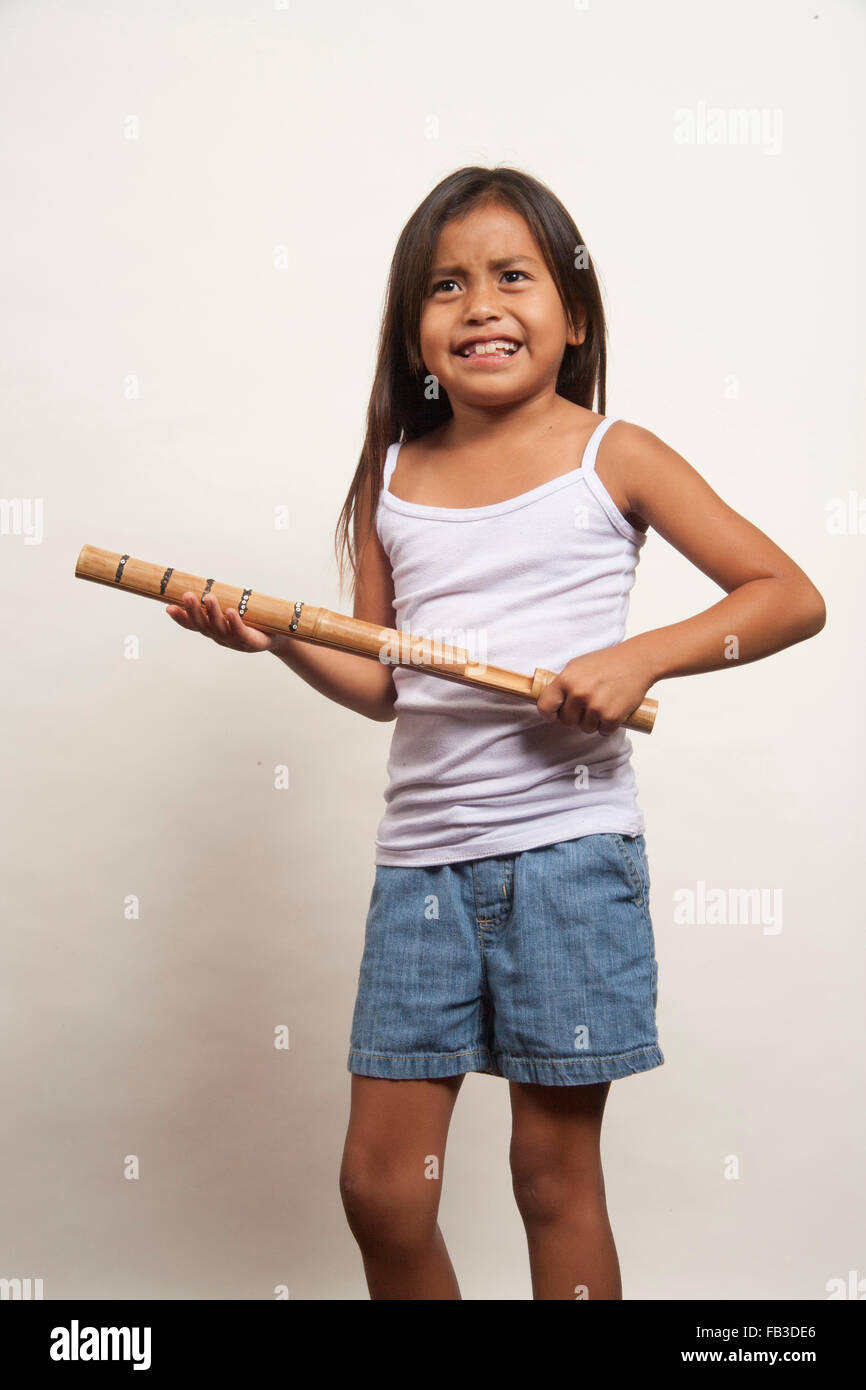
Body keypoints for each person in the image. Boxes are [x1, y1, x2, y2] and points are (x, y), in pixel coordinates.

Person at [166, 166, 826, 1300]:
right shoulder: (393, 475)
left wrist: (638, 657)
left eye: (510, 277)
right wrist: (275, 637)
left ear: (571, 319)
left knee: (549, 1176)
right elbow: (384, 683)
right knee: (381, 1189)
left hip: (571, 864)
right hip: (417, 869)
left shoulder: (611, 455)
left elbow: (785, 594)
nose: (478, 305)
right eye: (445, 287)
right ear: (413, 336)